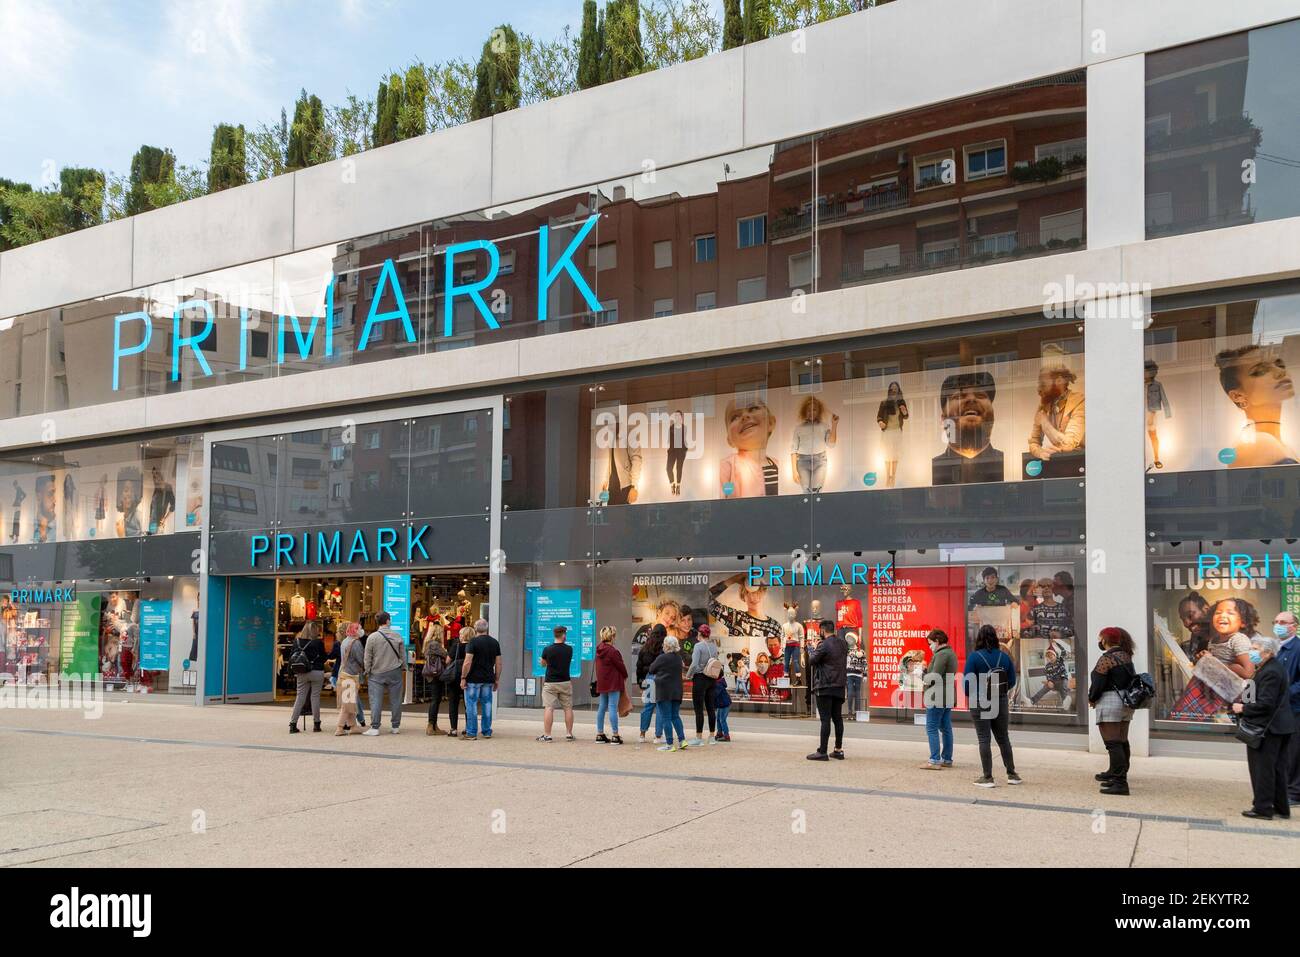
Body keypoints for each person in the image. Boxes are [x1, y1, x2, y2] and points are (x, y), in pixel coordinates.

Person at [1232, 635, 1297, 819]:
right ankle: (1281, 808)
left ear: (1268, 652)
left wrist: (1243, 707)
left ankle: (1262, 808)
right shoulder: (1269, 668)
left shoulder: (1271, 671)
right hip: (1278, 727)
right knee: (1276, 769)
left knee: (1262, 769)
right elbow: (1256, 693)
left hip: (1268, 729)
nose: (1251, 652)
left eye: (1255, 648)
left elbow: (1266, 703)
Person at [1215, 344, 1299, 467]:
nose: (1280, 372)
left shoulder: (1281, 446)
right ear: (1238, 396)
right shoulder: (1261, 443)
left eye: (1279, 364)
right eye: (1260, 371)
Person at [964, 624, 1021, 787]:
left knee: (984, 739)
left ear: (979, 639)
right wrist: (999, 692)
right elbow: (1011, 681)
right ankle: (1012, 774)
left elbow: (968, 684)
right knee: (1003, 738)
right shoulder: (1004, 657)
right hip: (1000, 700)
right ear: (995, 638)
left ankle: (987, 777)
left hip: (980, 701)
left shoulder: (974, 657)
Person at [1089, 626, 1138, 795]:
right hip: (1125, 702)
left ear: (1105, 640)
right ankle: (1117, 773)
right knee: (1122, 741)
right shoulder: (1125, 656)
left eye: (1100, 638)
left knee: (1112, 743)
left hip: (1110, 701)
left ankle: (1120, 783)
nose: (1099, 641)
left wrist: (1092, 698)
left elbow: (1098, 683)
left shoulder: (1107, 659)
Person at [931, 371, 1003, 485]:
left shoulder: (1005, 462)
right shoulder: (937, 465)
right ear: (943, 419)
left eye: (980, 395)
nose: (971, 399)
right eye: (959, 396)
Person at [1028, 348, 1085, 460]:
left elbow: (1069, 444)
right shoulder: (1043, 406)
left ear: (1059, 381)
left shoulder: (1079, 401)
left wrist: (1045, 423)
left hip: (1082, 463)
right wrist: (1040, 453)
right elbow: (1033, 442)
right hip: (1059, 461)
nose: (1039, 389)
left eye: (1043, 384)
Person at [719, 395, 779, 497]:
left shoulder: (778, 465)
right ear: (730, 439)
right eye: (735, 417)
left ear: (771, 422)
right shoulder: (727, 466)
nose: (745, 416)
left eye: (753, 408)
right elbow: (722, 501)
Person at [806, 619, 848, 761]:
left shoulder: (823, 645)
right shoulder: (843, 643)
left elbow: (812, 661)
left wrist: (812, 648)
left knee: (825, 719)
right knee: (837, 718)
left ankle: (822, 751)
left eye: (820, 631)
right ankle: (838, 750)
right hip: (840, 686)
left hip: (825, 686)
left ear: (823, 631)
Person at [362, 612, 406, 736]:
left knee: (376, 700)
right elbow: (402, 655)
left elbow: (367, 656)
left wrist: (367, 670)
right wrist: (403, 667)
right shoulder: (397, 635)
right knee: (396, 699)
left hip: (376, 673)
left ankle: (375, 727)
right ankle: (395, 726)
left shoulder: (372, 637)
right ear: (387, 621)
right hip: (395, 671)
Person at [920, 628, 957, 769]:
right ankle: (947, 758)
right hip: (947, 695)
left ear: (937, 641)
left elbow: (934, 676)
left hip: (937, 696)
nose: (930, 646)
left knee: (931, 728)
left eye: (930, 643)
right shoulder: (951, 653)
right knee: (946, 728)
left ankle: (934, 760)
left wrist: (921, 674)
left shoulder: (941, 655)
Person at [460, 618, 501, 740]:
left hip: (473, 679)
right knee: (487, 704)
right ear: (486, 628)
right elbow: (499, 663)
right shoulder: (495, 643)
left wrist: (463, 677)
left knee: (471, 705)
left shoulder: (473, 642)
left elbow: (467, 662)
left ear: (475, 628)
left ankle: (471, 732)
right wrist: (497, 679)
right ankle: (487, 730)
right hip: (488, 678)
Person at [1274, 611, 1300, 805]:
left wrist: (1285, 694)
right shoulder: (1276, 647)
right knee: (1283, 751)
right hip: (1279, 709)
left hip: (1294, 708)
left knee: (1294, 751)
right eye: (1276, 622)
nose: (1278, 625)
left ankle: (1295, 792)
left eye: (1283, 622)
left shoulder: (1297, 648)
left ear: (1294, 626)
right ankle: (1285, 789)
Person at [790, 395, 839, 493]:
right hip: (803, 462)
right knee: (806, 491)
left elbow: (831, 444)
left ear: (818, 411)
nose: (811, 413)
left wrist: (834, 425)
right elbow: (793, 450)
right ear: (804, 412)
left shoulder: (824, 426)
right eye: (808, 410)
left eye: (814, 410)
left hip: (820, 461)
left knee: (817, 491)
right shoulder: (799, 428)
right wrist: (794, 471)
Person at [537, 625, 575, 742]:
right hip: (565, 682)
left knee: (549, 708)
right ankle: (569, 734)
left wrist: (544, 661)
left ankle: (547, 735)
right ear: (563, 635)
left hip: (550, 683)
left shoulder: (547, 649)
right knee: (568, 708)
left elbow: (543, 664)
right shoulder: (569, 649)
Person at [650, 635, 688, 751]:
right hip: (677, 691)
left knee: (666, 717)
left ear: (666, 646)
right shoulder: (678, 658)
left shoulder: (662, 658)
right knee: (675, 716)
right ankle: (682, 741)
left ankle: (670, 744)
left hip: (664, 690)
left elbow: (651, 669)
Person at [288, 621, 327, 734]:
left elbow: (292, 656)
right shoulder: (318, 642)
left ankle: (293, 724)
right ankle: (316, 724)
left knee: (300, 697)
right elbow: (323, 657)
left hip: (302, 671)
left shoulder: (297, 641)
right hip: (317, 671)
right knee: (315, 697)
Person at [685, 623, 720, 746]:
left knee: (698, 709)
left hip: (700, 678)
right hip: (711, 678)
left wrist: (688, 675)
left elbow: (694, 664)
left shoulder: (698, 646)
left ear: (699, 634)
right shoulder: (714, 646)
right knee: (711, 708)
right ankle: (711, 736)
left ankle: (699, 737)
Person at [594, 625, 628, 744]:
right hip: (613, 682)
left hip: (602, 682)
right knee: (613, 707)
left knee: (602, 707)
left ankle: (599, 733)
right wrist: (625, 675)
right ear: (612, 636)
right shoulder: (613, 651)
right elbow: (621, 666)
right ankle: (615, 735)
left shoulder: (598, 649)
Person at [637, 623, 667, 744]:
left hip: (649, 679)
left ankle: (642, 734)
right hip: (661, 678)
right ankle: (658, 736)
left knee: (648, 706)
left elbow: (639, 667)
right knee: (660, 707)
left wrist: (640, 683)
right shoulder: (665, 648)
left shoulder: (644, 647)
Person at [876, 381, 908, 488]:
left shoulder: (901, 402)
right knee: (887, 454)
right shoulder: (884, 403)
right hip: (887, 432)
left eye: (896, 389)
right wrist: (880, 422)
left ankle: (893, 476)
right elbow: (879, 416)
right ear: (889, 391)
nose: (894, 391)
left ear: (898, 391)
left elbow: (906, 416)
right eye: (892, 389)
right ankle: (887, 477)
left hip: (897, 432)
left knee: (895, 455)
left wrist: (904, 412)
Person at [335, 622, 365, 736]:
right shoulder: (356, 643)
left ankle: (353, 726)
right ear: (355, 631)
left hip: (344, 675)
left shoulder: (345, 641)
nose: (361, 630)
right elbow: (361, 659)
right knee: (347, 704)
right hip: (351, 676)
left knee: (349, 702)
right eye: (359, 628)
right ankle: (339, 727)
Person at [1144, 359, 1172, 469]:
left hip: (1153, 413)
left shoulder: (1157, 385)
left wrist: (1168, 415)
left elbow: (1164, 399)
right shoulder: (1137, 385)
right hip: (1140, 414)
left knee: (1153, 436)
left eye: (1153, 371)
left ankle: (1156, 458)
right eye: (1148, 371)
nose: (1150, 373)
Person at [422, 625, 450, 736]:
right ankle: (430, 725)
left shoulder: (428, 644)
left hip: (432, 675)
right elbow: (446, 656)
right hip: (436, 675)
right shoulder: (435, 645)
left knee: (436, 699)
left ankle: (434, 725)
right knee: (435, 700)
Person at [845, 633, 865, 719]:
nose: (849, 641)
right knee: (850, 693)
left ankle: (857, 712)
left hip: (858, 674)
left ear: (855, 640)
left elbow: (864, 663)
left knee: (857, 693)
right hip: (849, 674)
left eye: (851, 639)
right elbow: (844, 663)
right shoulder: (846, 651)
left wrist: (865, 675)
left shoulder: (861, 652)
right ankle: (850, 711)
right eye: (848, 639)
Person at [714, 669, 732, 742]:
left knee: (722, 720)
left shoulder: (719, 684)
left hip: (725, 704)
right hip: (721, 704)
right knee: (718, 719)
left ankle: (726, 735)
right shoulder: (717, 682)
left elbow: (715, 694)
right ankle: (719, 733)